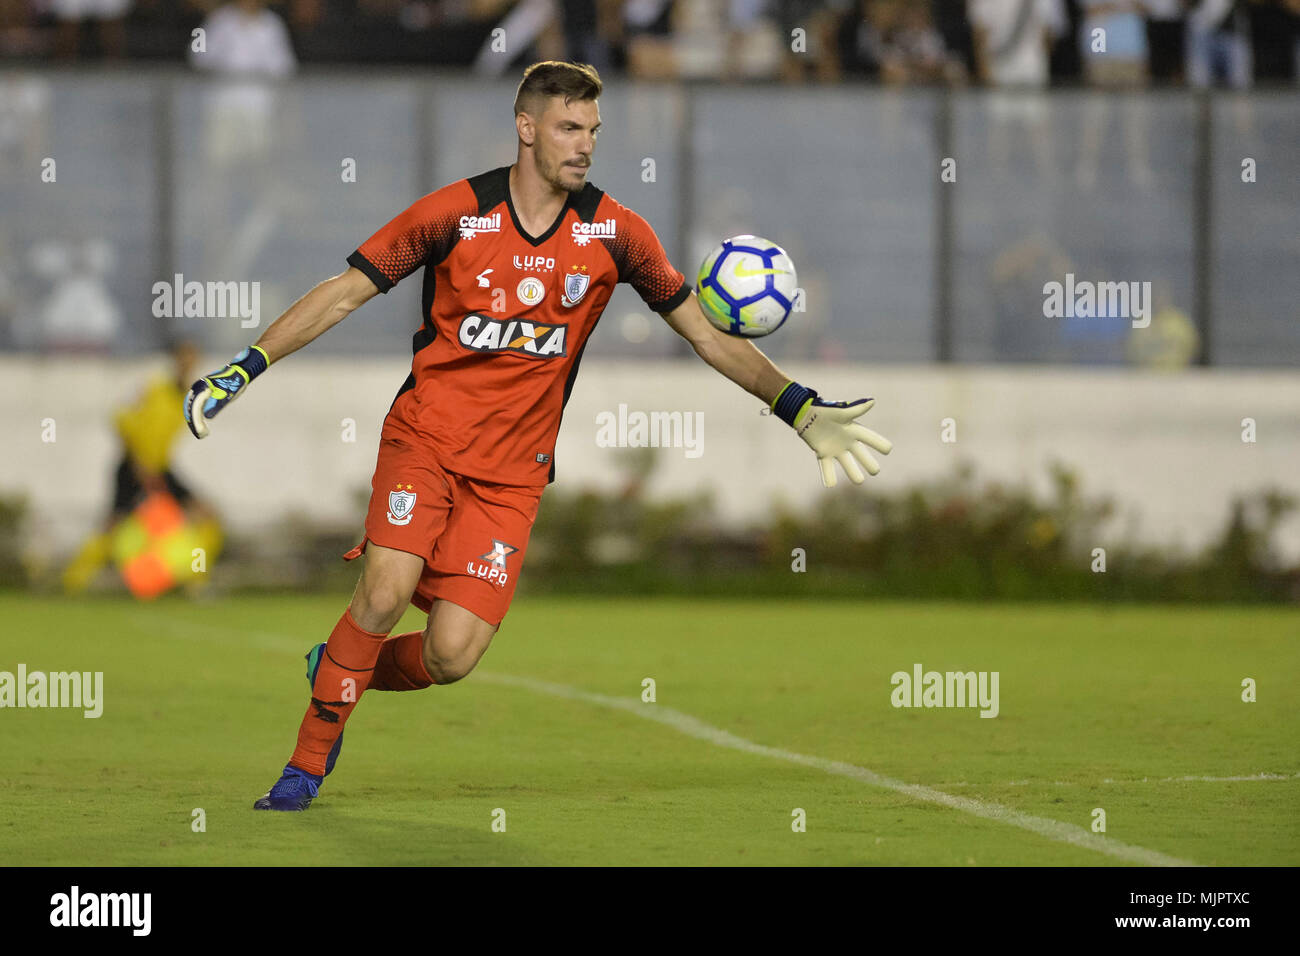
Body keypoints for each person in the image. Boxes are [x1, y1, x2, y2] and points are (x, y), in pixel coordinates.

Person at [181, 60, 893, 812]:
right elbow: (345, 292)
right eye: (568, 127)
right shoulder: (454, 214)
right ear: (526, 129)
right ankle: (306, 764)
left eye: (592, 130)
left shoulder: (617, 234)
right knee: (385, 590)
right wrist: (246, 366)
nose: (584, 144)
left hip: (512, 475)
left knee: (451, 656)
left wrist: (798, 408)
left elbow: (706, 337)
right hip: (424, 442)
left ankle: (339, 667)